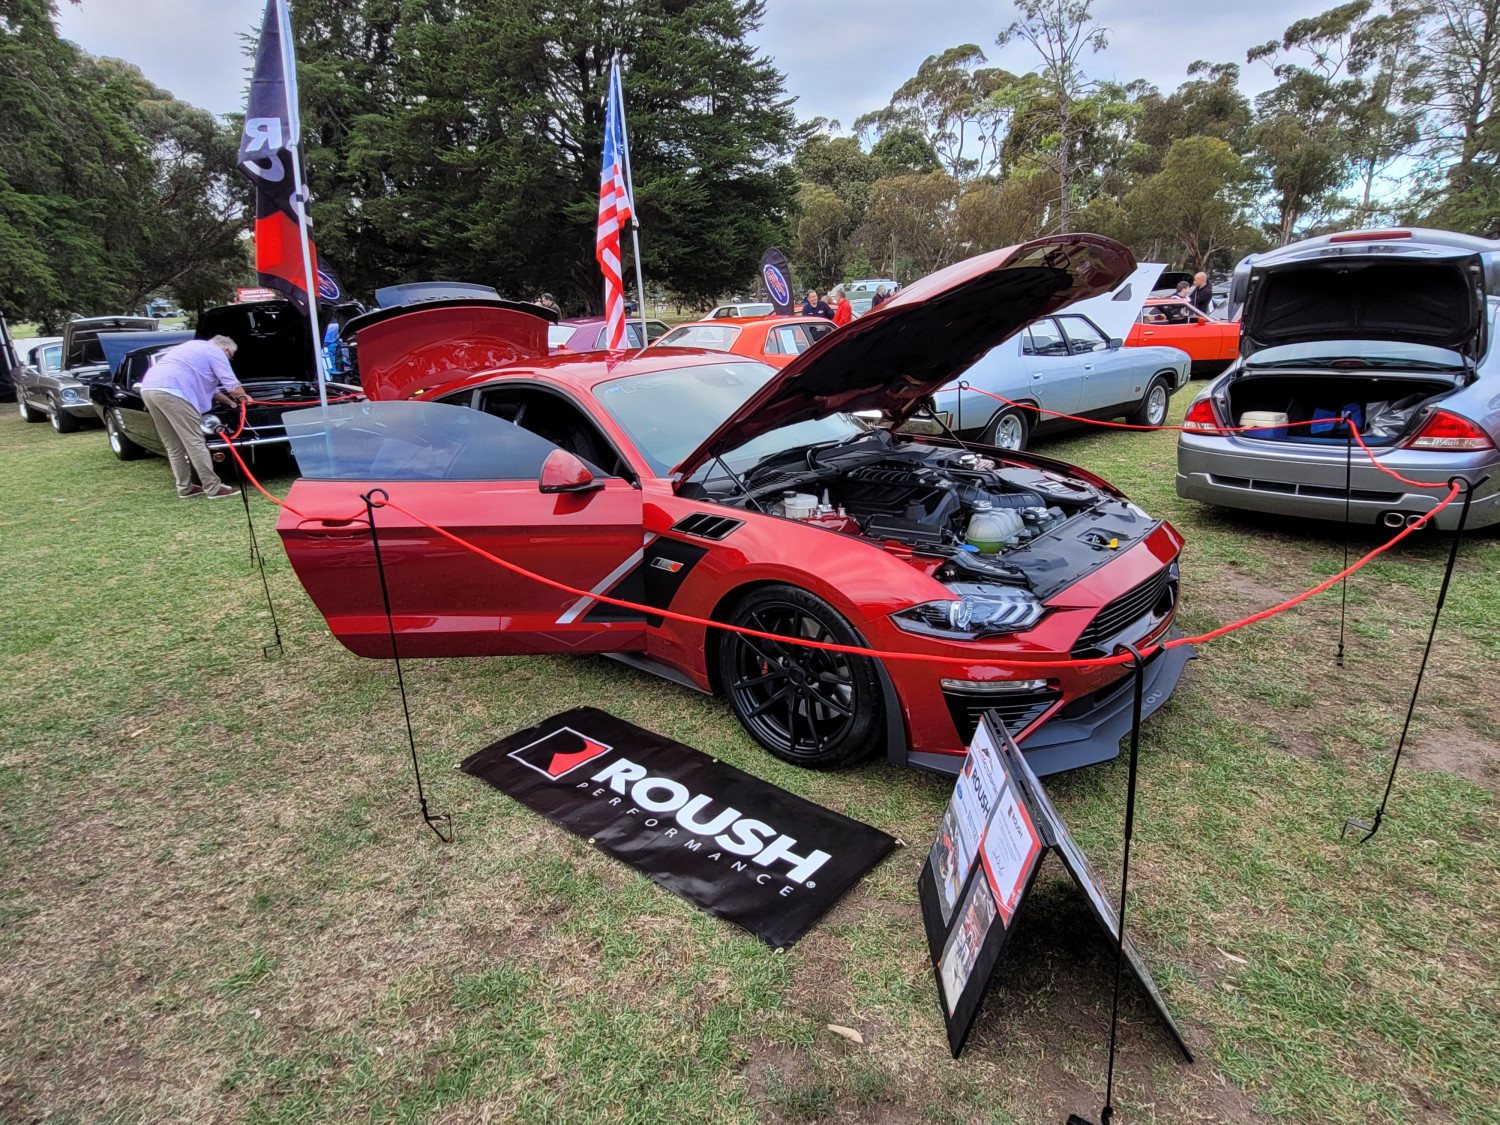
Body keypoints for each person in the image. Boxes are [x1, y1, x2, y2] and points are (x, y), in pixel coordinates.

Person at [139, 335, 249, 499]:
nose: (228, 360)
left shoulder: (194, 348)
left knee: (173, 444)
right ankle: (213, 488)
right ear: (226, 350)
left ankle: (185, 488)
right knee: (194, 441)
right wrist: (245, 398)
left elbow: (210, 389)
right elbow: (231, 384)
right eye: (230, 357)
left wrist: (228, 401)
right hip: (174, 392)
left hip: (149, 389)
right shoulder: (215, 352)